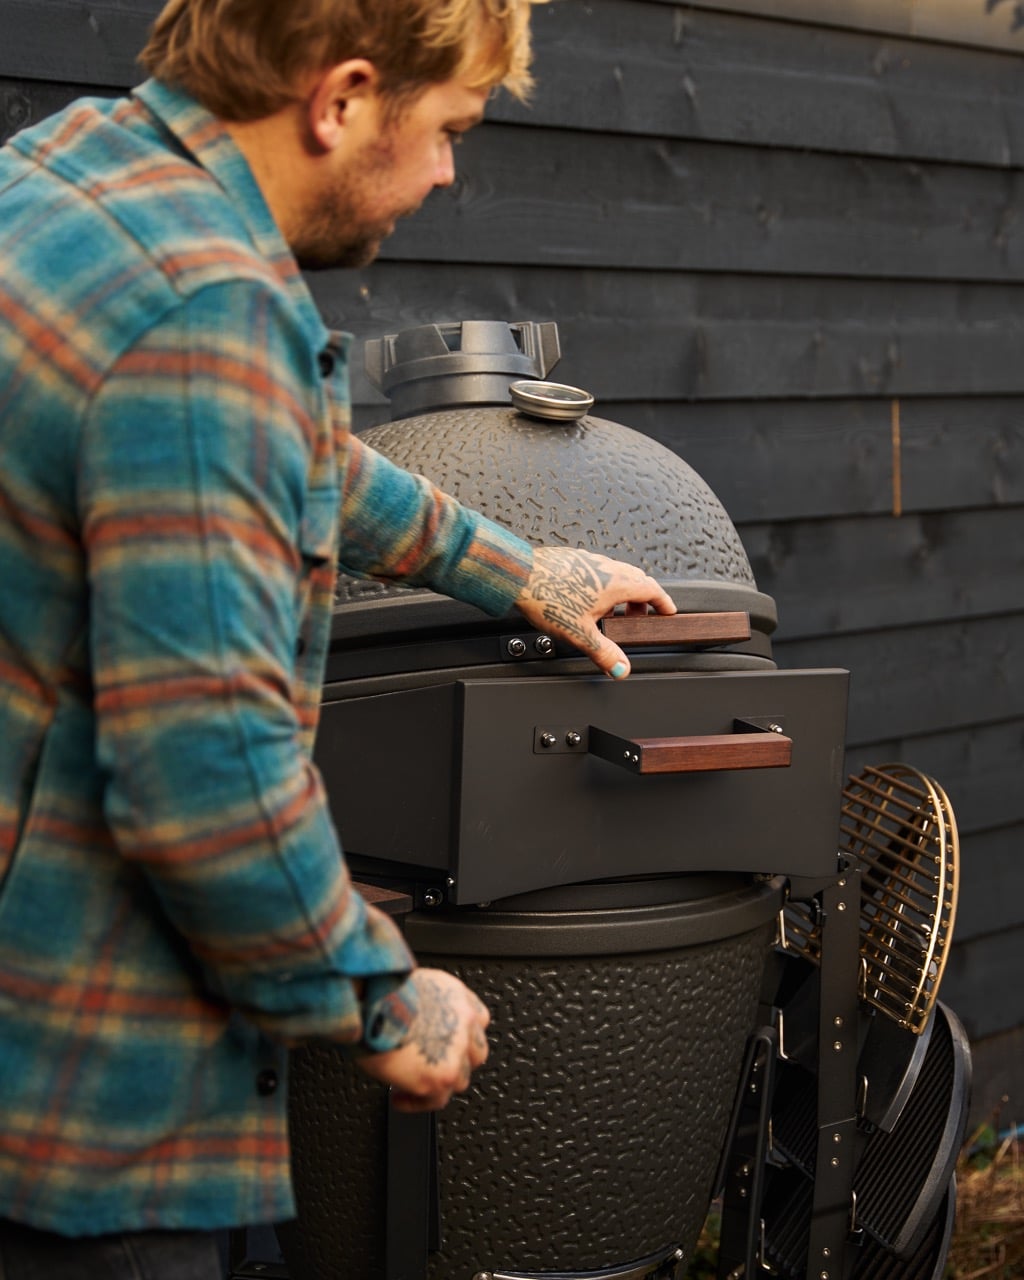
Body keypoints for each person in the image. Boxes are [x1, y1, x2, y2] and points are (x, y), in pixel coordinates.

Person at [0, 0, 676, 1274]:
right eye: (448, 130)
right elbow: (207, 780)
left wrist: (520, 570)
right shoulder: (209, 317)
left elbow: (282, 448)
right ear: (344, 97)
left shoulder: (75, 179)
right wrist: (384, 998)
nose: (446, 173)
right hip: (92, 1113)